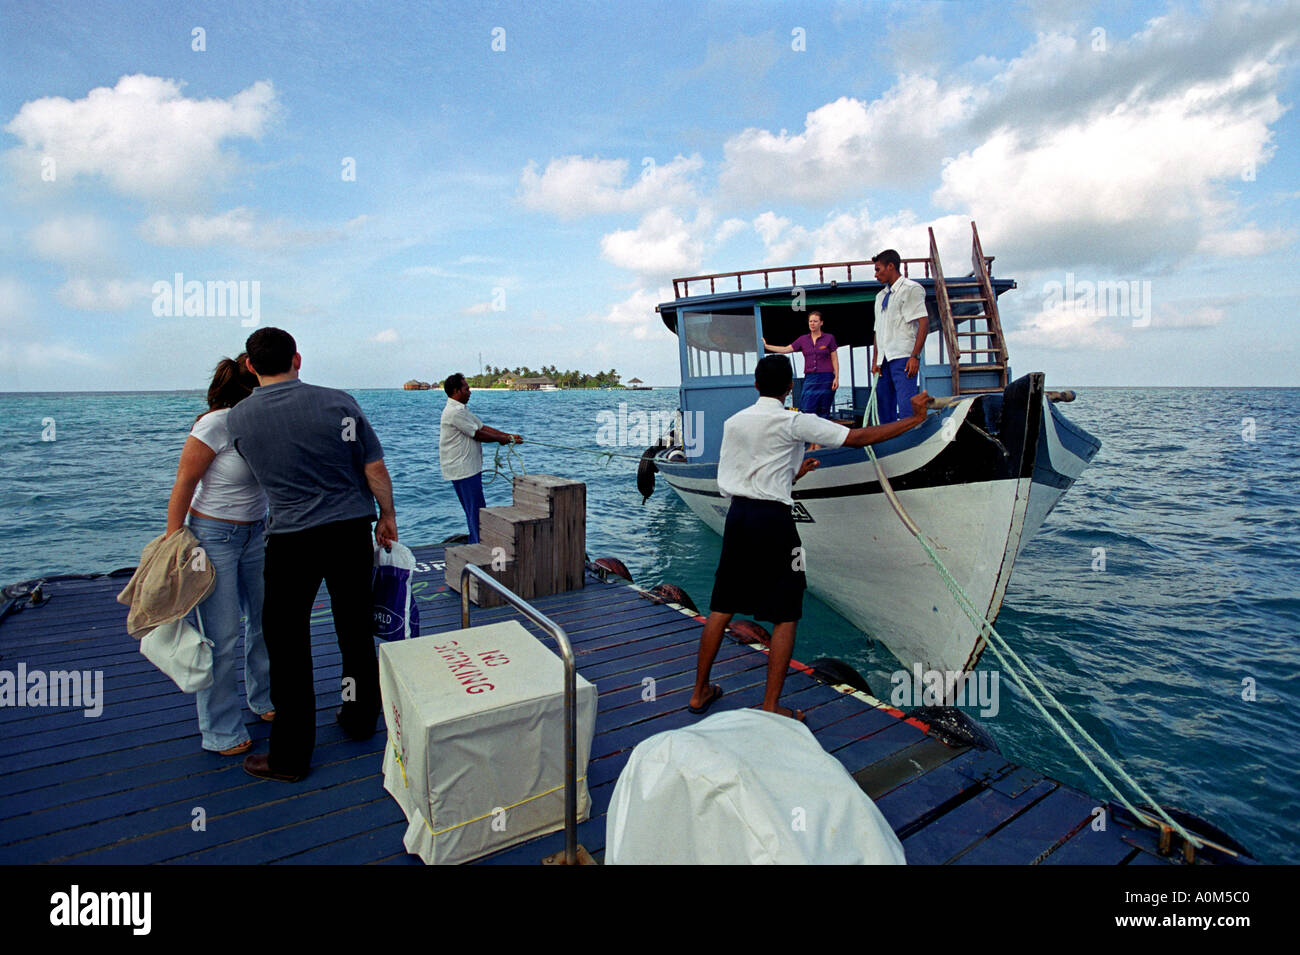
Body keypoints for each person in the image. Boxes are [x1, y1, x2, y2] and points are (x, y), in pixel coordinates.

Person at [688, 354, 929, 721]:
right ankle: (770, 705)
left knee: (721, 607)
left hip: (738, 518)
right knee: (786, 613)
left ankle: (699, 691)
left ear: (755, 385)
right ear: (790, 387)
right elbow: (856, 437)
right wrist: (914, 420)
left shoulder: (734, 423)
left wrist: (793, 474)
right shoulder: (793, 421)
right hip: (774, 522)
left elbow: (751, 476)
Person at [227, 328, 398, 783]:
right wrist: (387, 515)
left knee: (287, 645)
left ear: (250, 365)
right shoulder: (339, 403)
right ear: (297, 359)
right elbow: (373, 467)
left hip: (290, 540)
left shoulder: (240, 418)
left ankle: (290, 754)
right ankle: (361, 718)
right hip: (348, 533)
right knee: (354, 629)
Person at [163, 354, 272, 755]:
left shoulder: (262, 424)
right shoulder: (215, 424)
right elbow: (185, 482)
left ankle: (264, 699)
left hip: (257, 534)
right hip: (213, 539)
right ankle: (219, 729)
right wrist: (175, 542)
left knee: (265, 622)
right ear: (251, 388)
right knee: (222, 636)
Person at [439, 373, 523, 544]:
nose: (470, 392)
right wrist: (504, 439)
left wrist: (508, 436)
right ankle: (479, 547)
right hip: (463, 470)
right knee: (476, 511)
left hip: (468, 469)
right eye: (466, 389)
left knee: (474, 510)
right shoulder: (454, 413)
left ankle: (475, 542)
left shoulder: (462, 410)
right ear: (456, 391)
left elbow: (483, 427)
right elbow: (478, 434)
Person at [869, 249, 929, 424]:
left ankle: (909, 443)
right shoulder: (880, 297)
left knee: (906, 407)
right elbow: (877, 331)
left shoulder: (911, 289)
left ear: (890, 266)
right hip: (883, 360)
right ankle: (888, 446)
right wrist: (875, 361)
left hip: (903, 358)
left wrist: (915, 356)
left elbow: (923, 323)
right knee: (883, 408)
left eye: (878, 269)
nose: (875, 274)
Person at [762, 311, 839, 419]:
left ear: (821, 323)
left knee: (824, 410)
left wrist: (836, 377)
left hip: (826, 377)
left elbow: (834, 358)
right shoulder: (803, 339)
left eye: (815, 321)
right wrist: (767, 346)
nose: (812, 323)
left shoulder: (829, 338)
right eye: (810, 321)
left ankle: (822, 435)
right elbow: (786, 349)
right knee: (806, 409)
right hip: (810, 378)